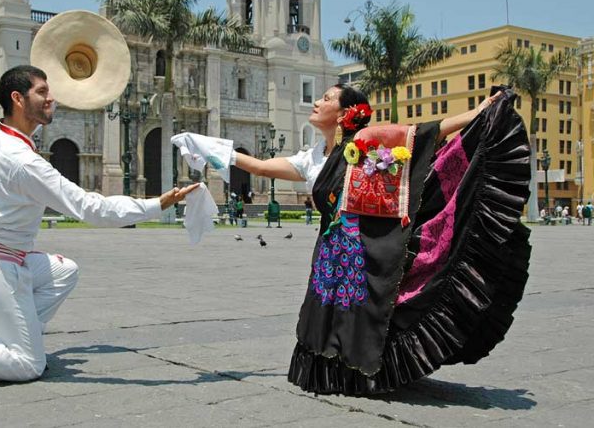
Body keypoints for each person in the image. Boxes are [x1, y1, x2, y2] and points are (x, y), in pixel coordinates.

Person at [176, 83, 531, 395]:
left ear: (345, 112)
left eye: (326, 98)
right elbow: (259, 166)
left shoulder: (368, 141)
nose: (317, 102)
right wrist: (210, 147)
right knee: (327, 310)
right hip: (330, 250)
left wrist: (478, 113)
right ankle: (336, 374)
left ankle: (368, 373)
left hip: (366, 247)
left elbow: (427, 132)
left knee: (365, 309)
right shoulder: (313, 157)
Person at [0, 65, 198, 385]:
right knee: (27, 366)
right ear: (17, 99)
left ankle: (20, 341)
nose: (52, 98)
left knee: (64, 271)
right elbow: (91, 209)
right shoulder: (23, 162)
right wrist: (156, 204)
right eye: (42, 92)